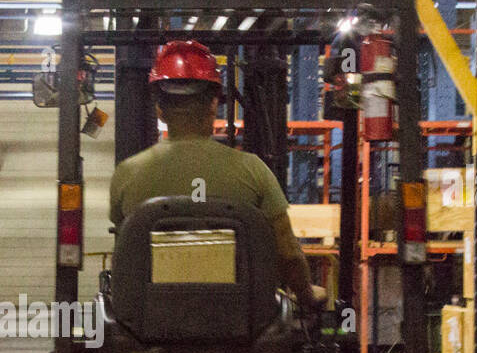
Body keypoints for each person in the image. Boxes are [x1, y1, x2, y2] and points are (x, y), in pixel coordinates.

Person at [109, 39, 326, 309]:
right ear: (213, 104)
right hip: (240, 328)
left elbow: (126, 253)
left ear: (159, 110)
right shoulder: (253, 170)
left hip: (151, 326)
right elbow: (288, 253)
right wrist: (306, 295)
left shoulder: (127, 175)